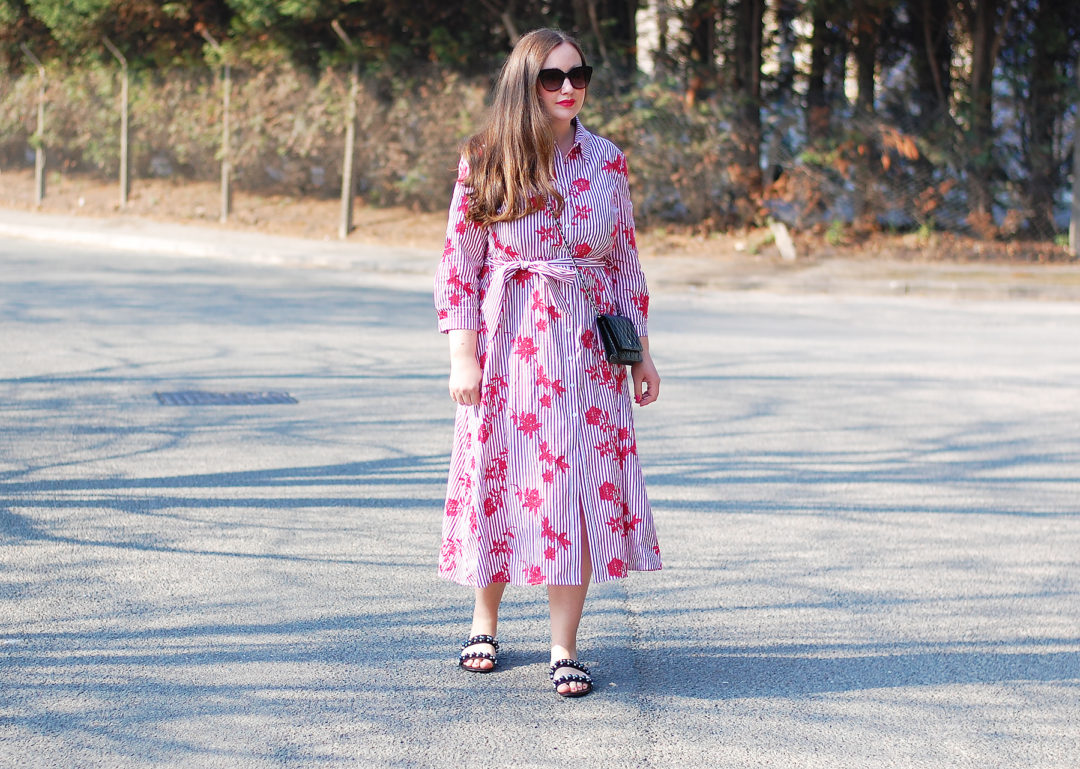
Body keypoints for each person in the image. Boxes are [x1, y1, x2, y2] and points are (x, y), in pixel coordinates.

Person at [433, 27, 661, 699]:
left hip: (585, 352)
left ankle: (564, 645)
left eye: (579, 75)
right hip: (507, 342)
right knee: (498, 475)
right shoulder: (485, 157)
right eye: (553, 78)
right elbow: (459, 264)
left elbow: (623, 263)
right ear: (524, 84)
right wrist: (462, 356)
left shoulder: (607, 160)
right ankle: (485, 619)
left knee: (576, 490)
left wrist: (642, 355)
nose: (569, 89)